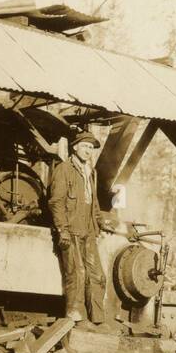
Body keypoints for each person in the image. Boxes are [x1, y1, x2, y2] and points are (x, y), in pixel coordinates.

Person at [49, 130, 109, 325]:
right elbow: (56, 202)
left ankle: (97, 319)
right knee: (76, 274)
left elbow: (94, 203)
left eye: (91, 148)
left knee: (97, 275)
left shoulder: (90, 172)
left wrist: (101, 222)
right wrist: (62, 230)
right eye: (85, 146)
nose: (88, 151)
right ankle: (74, 316)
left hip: (89, 231)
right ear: (75, 147)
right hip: (71, 230)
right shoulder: (63, 170)